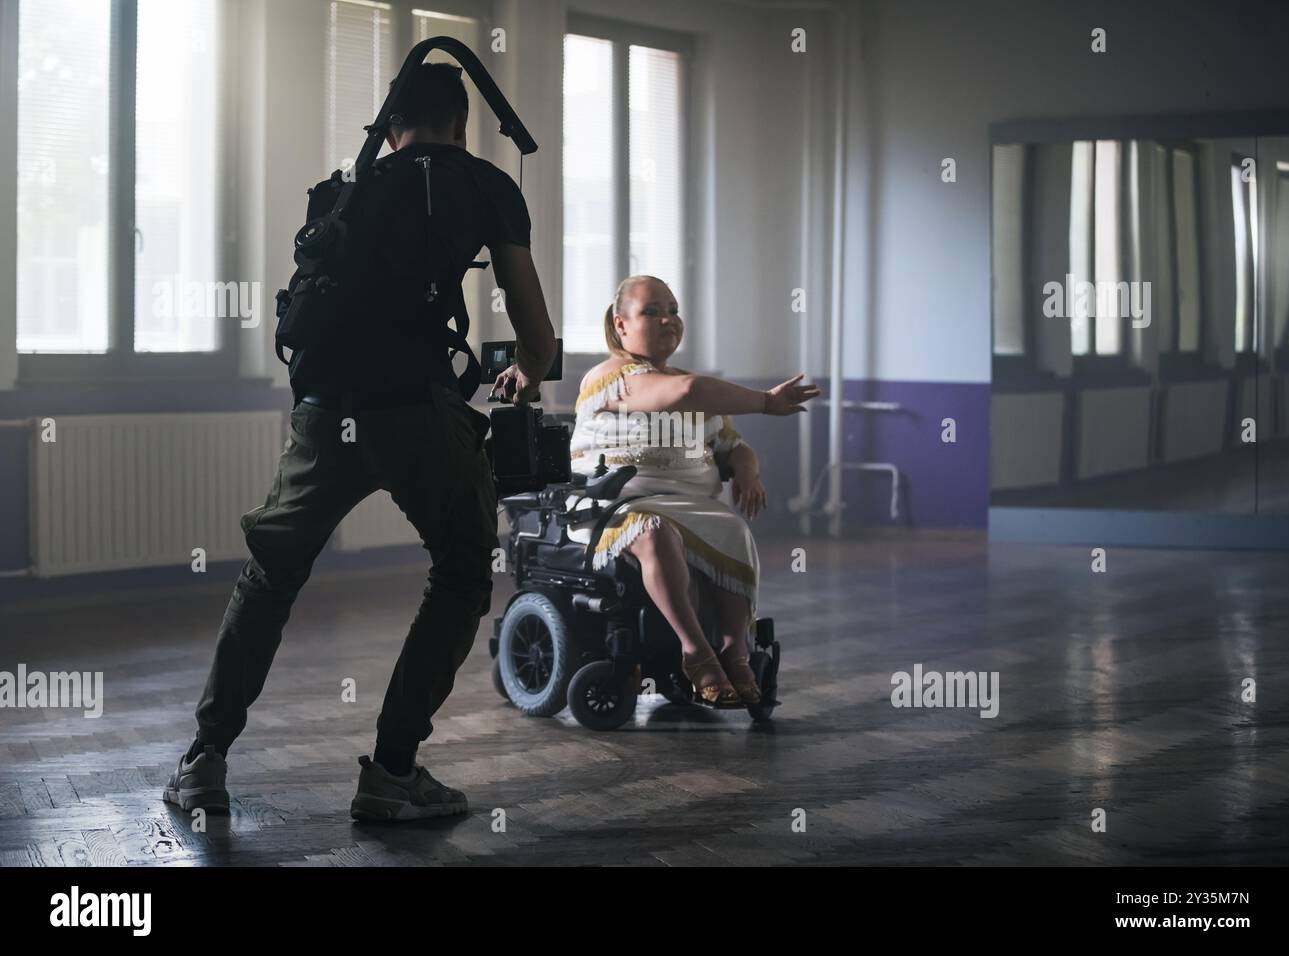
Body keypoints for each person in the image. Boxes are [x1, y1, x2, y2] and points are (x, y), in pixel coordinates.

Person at [164, 63, 555, 822]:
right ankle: (394, 770)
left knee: (269, 579)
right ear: (461, 124)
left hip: (322, 412)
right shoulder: (485, 185)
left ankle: (204, 761)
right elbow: (534, 337)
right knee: (463, 568)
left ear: (391, 123)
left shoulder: (343, 190)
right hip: (416, 412)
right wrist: (525, 375)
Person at [564, 275, 819, 707]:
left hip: (692, 505)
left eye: (673, 310)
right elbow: (686, 392)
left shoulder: (687, 382)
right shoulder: (611, 378)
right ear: (620, 324)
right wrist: (764, 402)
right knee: (655, 531)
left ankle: (734, 652)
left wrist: (747, 472)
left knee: (734, 530)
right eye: (651, 311)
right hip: (618, 505)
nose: (667, 320)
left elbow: (734, 445)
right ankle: (697, 655)